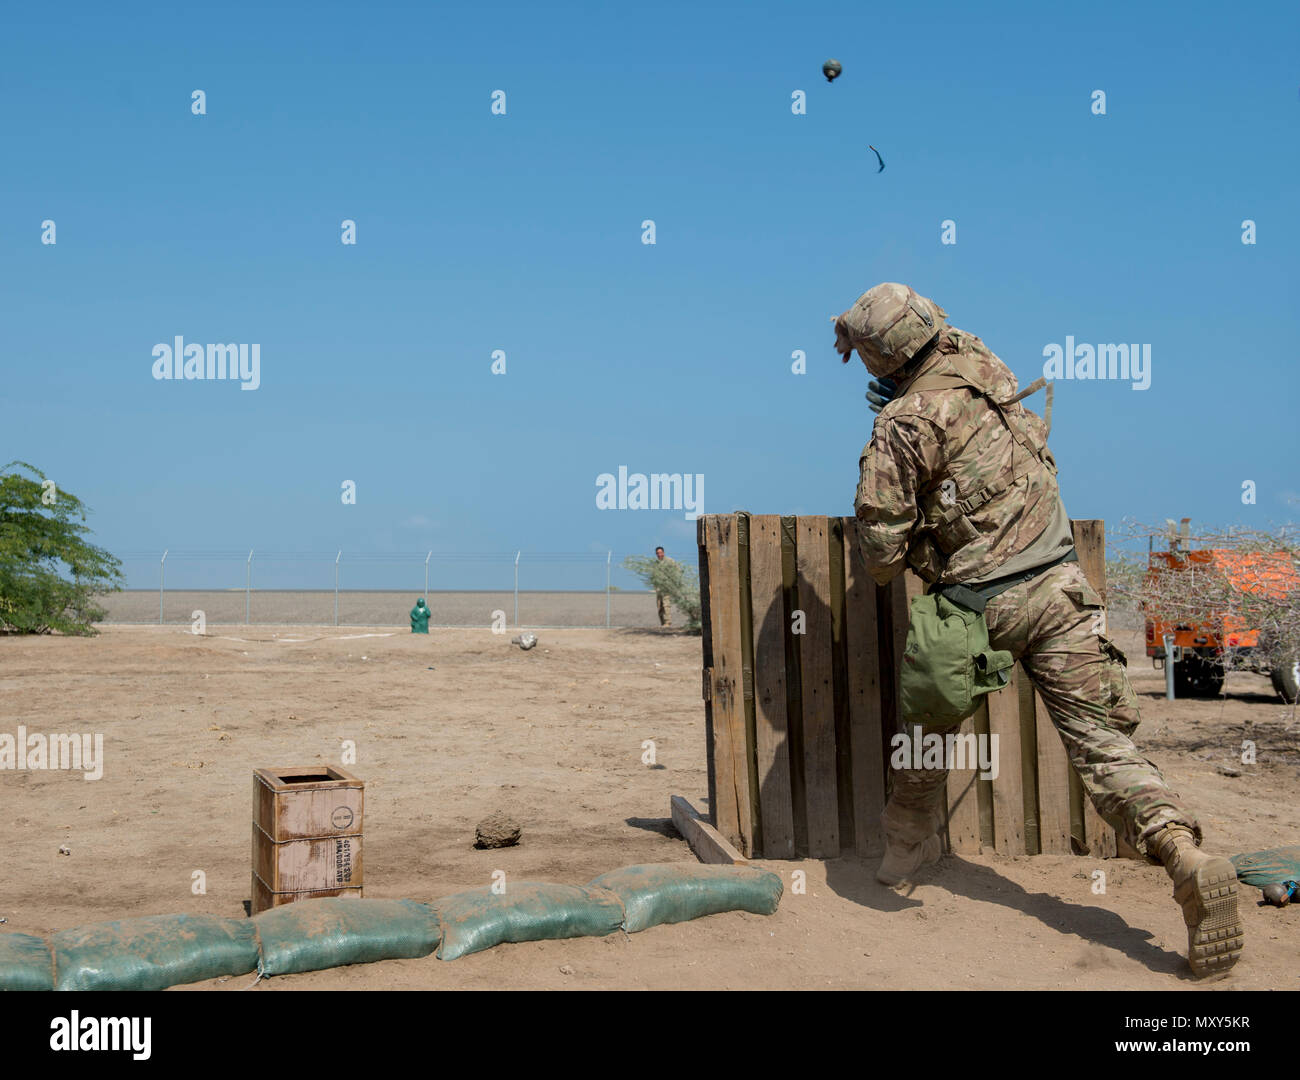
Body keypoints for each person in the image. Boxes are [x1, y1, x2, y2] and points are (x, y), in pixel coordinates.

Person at [835, 282, 1243, 977]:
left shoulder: (900, 425)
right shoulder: (985, 364)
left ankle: (902, 849)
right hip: (1062, 589)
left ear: (880, 360)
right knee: (1103, 746)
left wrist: (903, 459)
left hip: (975, 609)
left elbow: (879, 555)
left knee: (928, 732)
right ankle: (1183, 854)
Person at [654, 546, 672, 628]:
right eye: (657, 553)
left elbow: (677, 571)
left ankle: (668, 622)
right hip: (658, 588)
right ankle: (662, 623)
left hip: (667, 587)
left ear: (663, 553)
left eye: (660, 553)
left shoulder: (669, 561)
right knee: (659, 606)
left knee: (666, 605)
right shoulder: (655, 563)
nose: (659, 554)